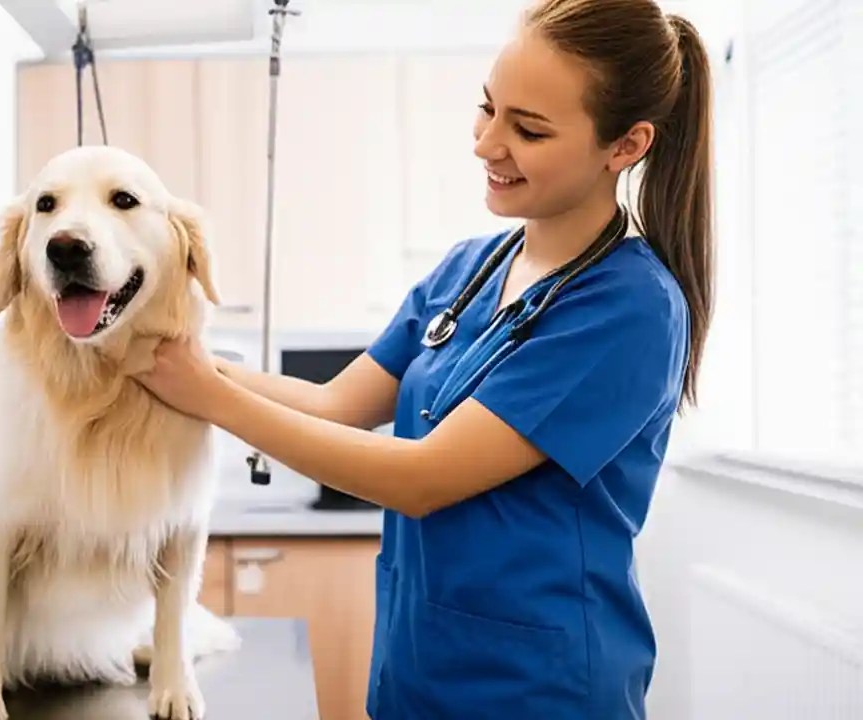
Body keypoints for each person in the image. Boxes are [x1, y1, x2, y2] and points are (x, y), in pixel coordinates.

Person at [134, 0, 714, 717]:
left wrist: (207, 397)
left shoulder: (629, 309)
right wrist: (173, 360)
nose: (486, 144)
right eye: (488, 108)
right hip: (416, 671)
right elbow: (335, 405)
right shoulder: (467, 269)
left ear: (624, 146)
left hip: (537, 688)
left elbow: (422, 477)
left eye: (528, 129)